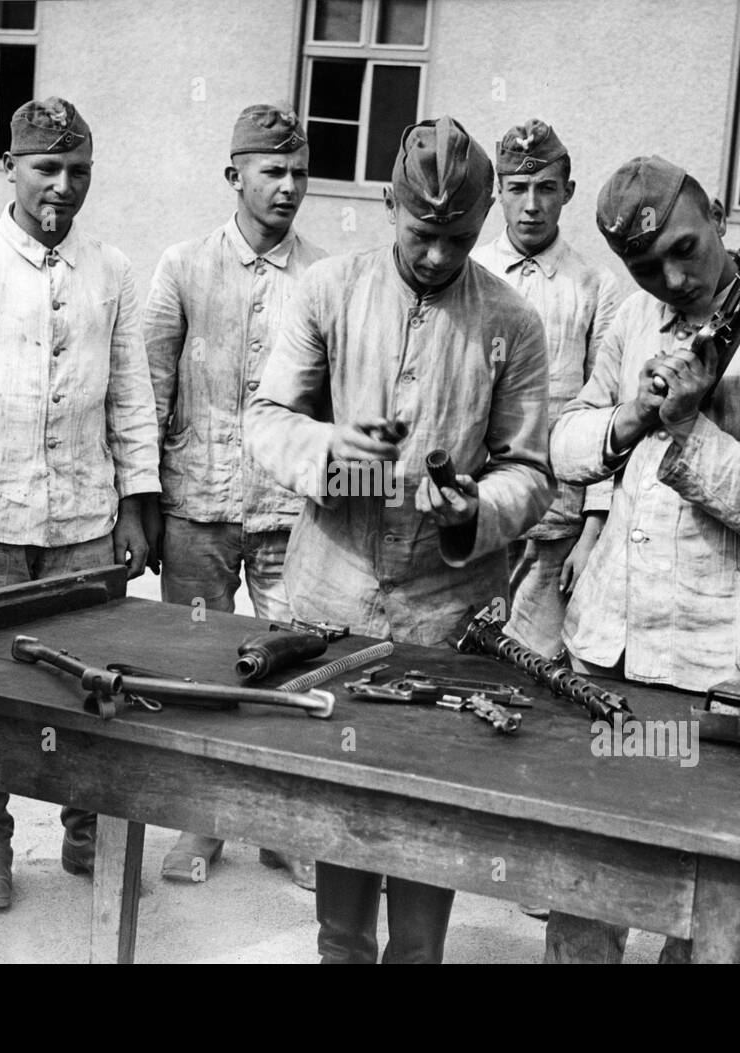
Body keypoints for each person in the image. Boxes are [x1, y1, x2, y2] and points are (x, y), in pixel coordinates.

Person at [247, 115, 553, 963]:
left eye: (458, 240)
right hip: (331, 599)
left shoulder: (512, 322)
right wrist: (332, 454)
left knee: (430, 809)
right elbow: (267, 422)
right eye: (421, 236)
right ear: (388, 205)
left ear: (483, 223)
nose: (435, 258)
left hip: (449, 612)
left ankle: (417, 958)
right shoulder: (326, 291)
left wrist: (474, 513)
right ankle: (339, 948)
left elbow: (530, 472)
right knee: (342, 806)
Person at [545, 155, 740, 963]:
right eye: (646, 267)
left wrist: (690, 428)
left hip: (716, 675)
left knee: (703, 908)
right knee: (588, 885)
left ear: (716, 214)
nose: (671, 278)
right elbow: (564, 443)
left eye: (684, 249)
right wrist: (633, 416)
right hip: (610, 657)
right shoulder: (629, 320)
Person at [0, 97, 161, 912]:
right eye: (46, 168)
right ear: (11, 167)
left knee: (96, 683)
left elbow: (131, 393)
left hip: (84, 519)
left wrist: (135, 499)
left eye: (78, 170)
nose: (62, 186)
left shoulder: (113, 270)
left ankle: (88, 826)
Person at [143, 104, 326, 889]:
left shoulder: (326, 276)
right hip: (198, 504)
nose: (287, 187)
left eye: (297, 172)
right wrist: (143, 500)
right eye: (271, 171)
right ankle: (199, 823)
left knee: (294, 674)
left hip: (291, 515)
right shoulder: (184, 265)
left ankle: (284, 828)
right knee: (198, 671)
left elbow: (332, 407)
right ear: (235, 176)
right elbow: (148, 388)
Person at [471, 118, 620, 658]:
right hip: (477, 513)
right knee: (454, 661)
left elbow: (609, 413)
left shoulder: (595, 285)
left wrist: (593, 528)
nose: (531, 204)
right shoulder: (469, 271)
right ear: (499, 194)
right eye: (517, 189)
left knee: (534, 670)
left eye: (546, 189)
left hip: (555, 520)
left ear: (568, 193)